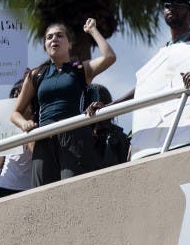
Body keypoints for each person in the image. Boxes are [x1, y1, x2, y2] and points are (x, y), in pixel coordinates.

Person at [103, 0, 190, 144]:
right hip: (167, 126)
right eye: (167, 5)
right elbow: (144, 88)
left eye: (177, 4)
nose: (170, 8)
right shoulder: (164, 52)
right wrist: (110, 106)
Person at [11, 18, 116, 187]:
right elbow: (15, 113)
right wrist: (24, 123)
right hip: (44, 138)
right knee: (42, 194)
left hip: (75, 137)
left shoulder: (81, 70)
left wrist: (92, 30)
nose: (54, 39)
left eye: (59, 36)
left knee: (72, 190)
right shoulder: (36, 75)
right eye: (49, 37)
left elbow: (109, 57)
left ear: (69, 43)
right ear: (45, 45)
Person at [0, 75, 34, 199]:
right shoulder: (4, 127)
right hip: (6, 186)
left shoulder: (39, 121)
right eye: (14, 96)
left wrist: (28, 129)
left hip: (29, 187)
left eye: (21, 95)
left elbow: (37, 153)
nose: (17, 99)